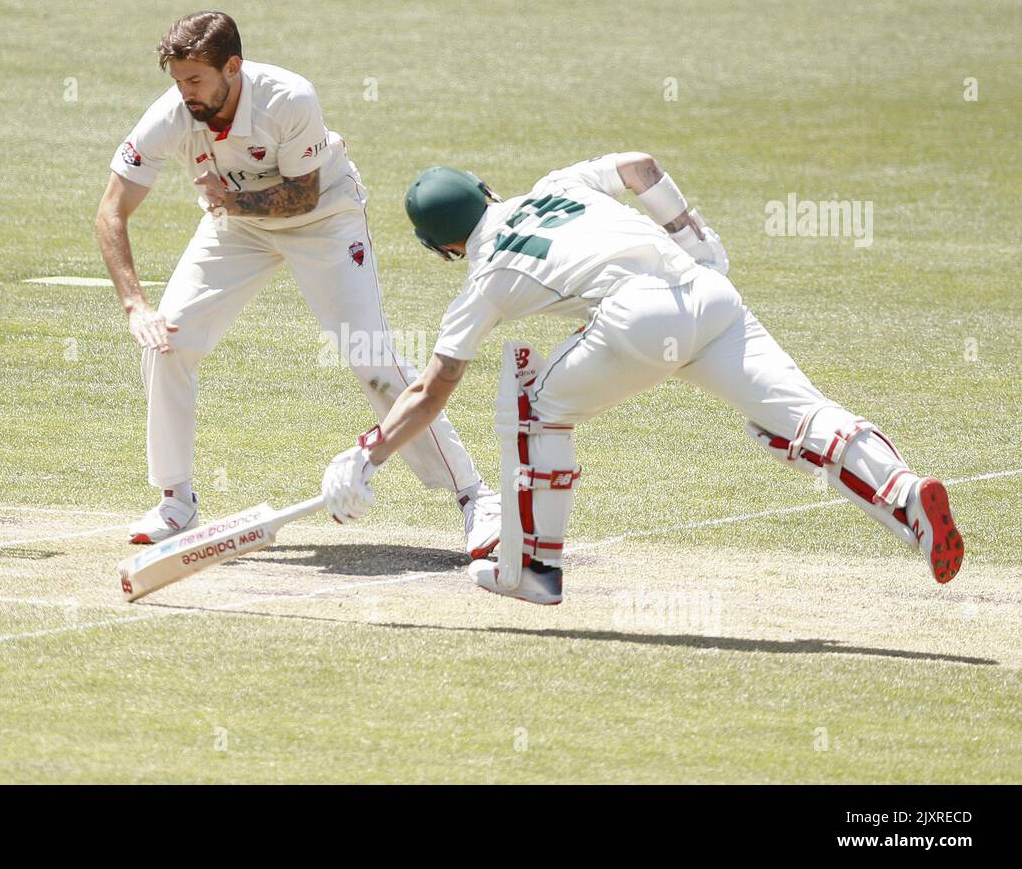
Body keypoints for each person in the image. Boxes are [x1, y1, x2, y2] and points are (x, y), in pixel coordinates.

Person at [321, 154, 965, 604]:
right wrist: (691, 231)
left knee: (534, 407)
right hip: (706, 293)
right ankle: (908, 497)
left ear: (443, 248)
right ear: (486, 189)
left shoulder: (484, 275)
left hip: (636, 320)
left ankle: (530, 568)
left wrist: (369, 451)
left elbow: (432, 388)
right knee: (796, 420)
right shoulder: (558, 183)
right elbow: (640, 165)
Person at [93, 11, 499, 553]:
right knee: (169, 340)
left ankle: (474, 497)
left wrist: (231, 198)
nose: (184, 92)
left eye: (196, 80)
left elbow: (301, 196)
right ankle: (176, 500)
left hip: (324, 221)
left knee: (369, 356)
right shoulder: (169, 116)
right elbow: (111, 212)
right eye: (177, 80)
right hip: (235, 229)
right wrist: (134, 305)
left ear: (232, 67)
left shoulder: (288, 98)